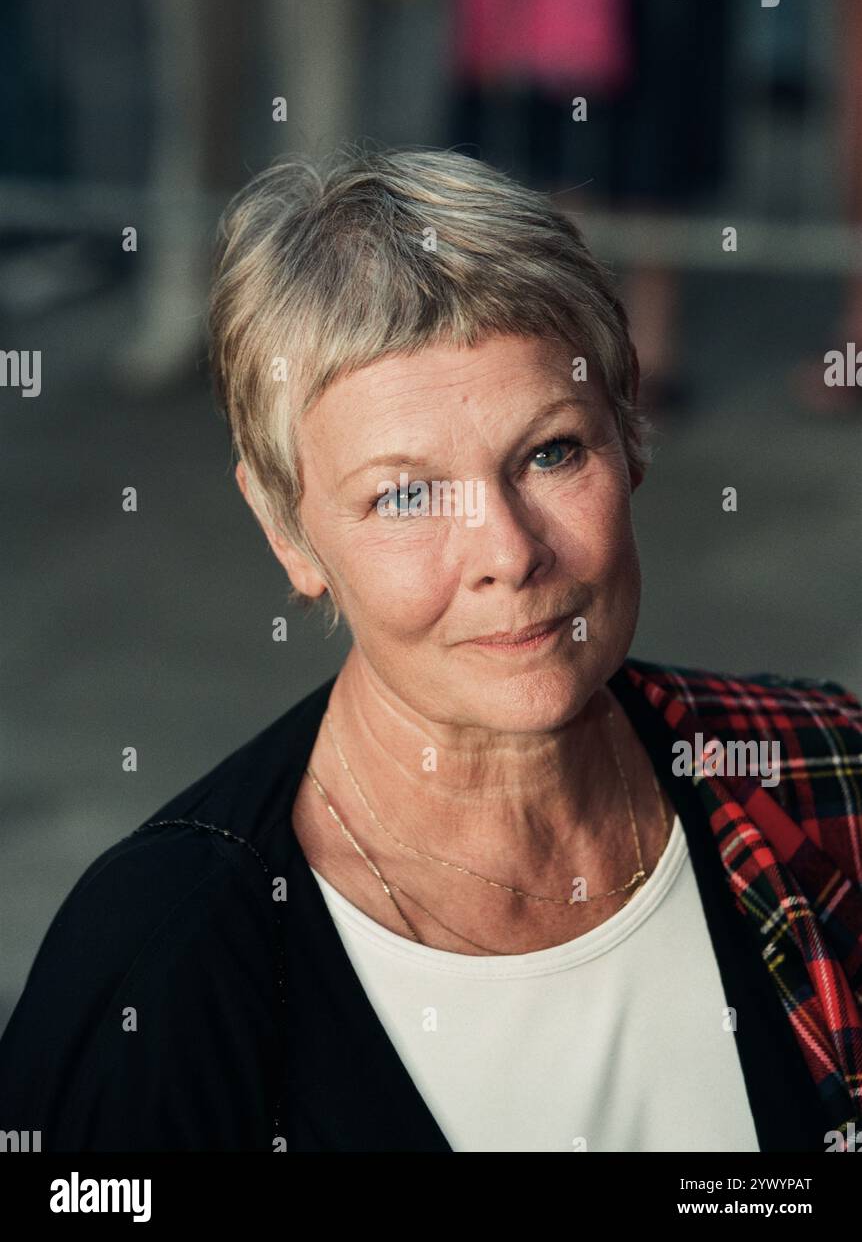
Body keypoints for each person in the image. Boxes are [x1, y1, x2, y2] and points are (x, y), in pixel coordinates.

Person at [0, 146, 860, 1152]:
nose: (507, 551)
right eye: (405, 494)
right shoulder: (160, 965)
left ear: (627, 427)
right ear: (286, 528)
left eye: (550, 451)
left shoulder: (818, 784)